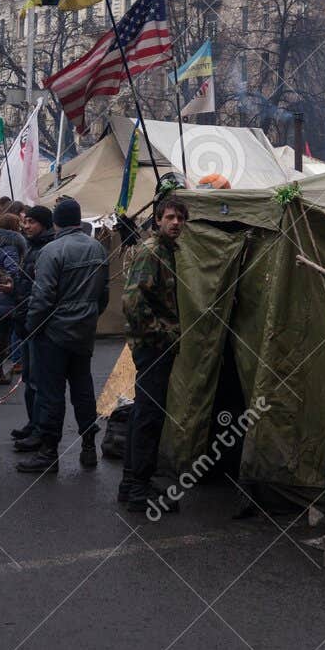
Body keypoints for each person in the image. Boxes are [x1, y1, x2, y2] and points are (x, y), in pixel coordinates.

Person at [15, 197, 108, 475]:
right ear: (79, 220)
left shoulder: (52, 251)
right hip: (83, 332)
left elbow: (41, 297)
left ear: (55, 222)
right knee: (83, 389)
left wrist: (32, 326)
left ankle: (48, 452)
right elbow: (103, 296)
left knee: (50, 394)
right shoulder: (98, 249)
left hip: (53, 333)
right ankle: (89, 446)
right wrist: (89, 316)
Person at [120, 193, 188, 511]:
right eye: (170, 217)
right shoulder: (152, 252)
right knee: (149, 414)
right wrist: (160, 334)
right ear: (158, 219)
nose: (175, 223)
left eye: (180, 218)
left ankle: (132, 480)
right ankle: (137, 487)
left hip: (154, 345)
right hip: (153, 346)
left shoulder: (164, 250)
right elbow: (133, 301)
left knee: (144, 412)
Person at [10, 204, 54, 440]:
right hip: (26, 321)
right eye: (25, 222)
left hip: (38, 324)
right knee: (29, 378)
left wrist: (32, 320)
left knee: (38, 381)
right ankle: (32, 423)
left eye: (31, 222)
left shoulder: (46, 249)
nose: (26, 226)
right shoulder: (31, 247)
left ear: (44, 224)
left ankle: (40, 431)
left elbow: (43, 292)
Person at [0, 210, 27, 387]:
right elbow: (13, 269)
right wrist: (13, 285)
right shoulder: (10, 246)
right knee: (3, 336)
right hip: (5, 297)